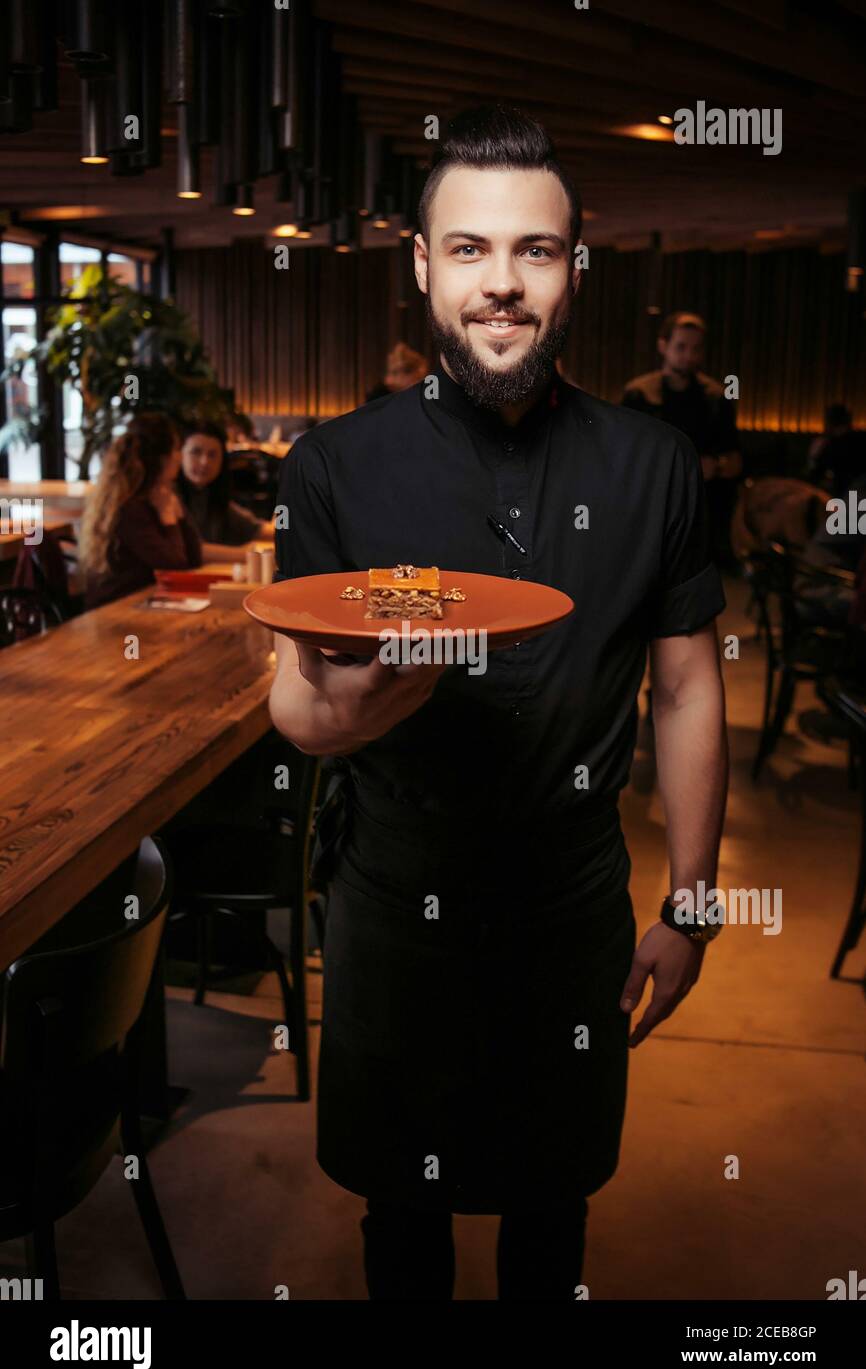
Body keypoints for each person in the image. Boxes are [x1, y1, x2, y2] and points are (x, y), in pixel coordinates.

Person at [268, 106, 728, 1301]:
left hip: (569, 900)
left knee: (550, 1205)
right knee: (400, 1214)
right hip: (387, 896)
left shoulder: (653, 468)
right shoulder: (331, 467)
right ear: (421, 267)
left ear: (573, 271)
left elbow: (683, 689)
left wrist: (690, 902)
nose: (501, 283)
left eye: (533, 250)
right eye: (468, 249)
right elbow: (297, 711)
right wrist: (370, 704)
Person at [621, 312, 742, 569]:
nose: (689, 356)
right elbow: (623, 460)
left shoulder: (716, 399)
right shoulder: (639, 394)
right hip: (650, 509)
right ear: (663, 346)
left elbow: (735, 461)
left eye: (696, 349)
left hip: (702, 512)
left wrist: (714, 466)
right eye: (681, 347)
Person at [80, 412, 202, 609]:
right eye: (177, 449)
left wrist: (177, 516)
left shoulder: (158, 498)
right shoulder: (129, 507)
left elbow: (195, 559)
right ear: (163, 458)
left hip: (145, 604)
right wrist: (169, 519)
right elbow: (176, 569)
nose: (180, 457)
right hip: (115, 614)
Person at [177, 421, 274, 562]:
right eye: (196, 452)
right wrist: (247, 555)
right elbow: (188, 549)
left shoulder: (212, 497)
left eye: (212, 455)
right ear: (179, 454)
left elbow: (256, 529)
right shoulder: (168, 495)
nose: (204, 462)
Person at [805, 404, 864, 493]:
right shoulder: (861, 439)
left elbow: (816, 472)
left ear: (829, 423)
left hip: (844, 495)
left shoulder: (832, 445)